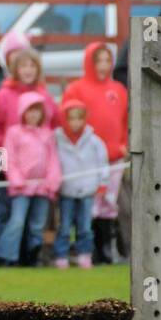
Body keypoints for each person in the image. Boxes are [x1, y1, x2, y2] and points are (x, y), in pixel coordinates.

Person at [62, 43, 128, 263]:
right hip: (87, 159)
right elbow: (66, 119)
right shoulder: (76, 89)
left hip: (115, 157)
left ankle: (106, 249)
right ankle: (87, 249)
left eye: (107, 60)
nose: (103, 65)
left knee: (109, 202)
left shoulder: (118, 90)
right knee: (90, 204)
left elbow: (125, 120)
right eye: (98, 60)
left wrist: (124, 144)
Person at [0, 92, 62, 266]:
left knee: (37, 224)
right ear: (23, 112)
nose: (33, 115)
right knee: (17, 221)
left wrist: (52, 180)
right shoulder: (13, 132)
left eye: (37, 111)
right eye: (30, 111)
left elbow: (53, 159)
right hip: (21, 187)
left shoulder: (47, 134)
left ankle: (33, 256)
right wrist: (15, 178)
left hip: (42, 187)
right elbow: (7, 158)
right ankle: (6, 256)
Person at [54, 100, 108, 269]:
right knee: (64, 226)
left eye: (78, 119)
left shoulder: (94, 141)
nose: (75, 123)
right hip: (66, 189)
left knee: (85, 226)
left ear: (84, 119)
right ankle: (61, 256)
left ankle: (84, 255)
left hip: (87, 189)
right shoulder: (57, 139)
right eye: (70, 119)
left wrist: (103, 183)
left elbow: (103, 162)